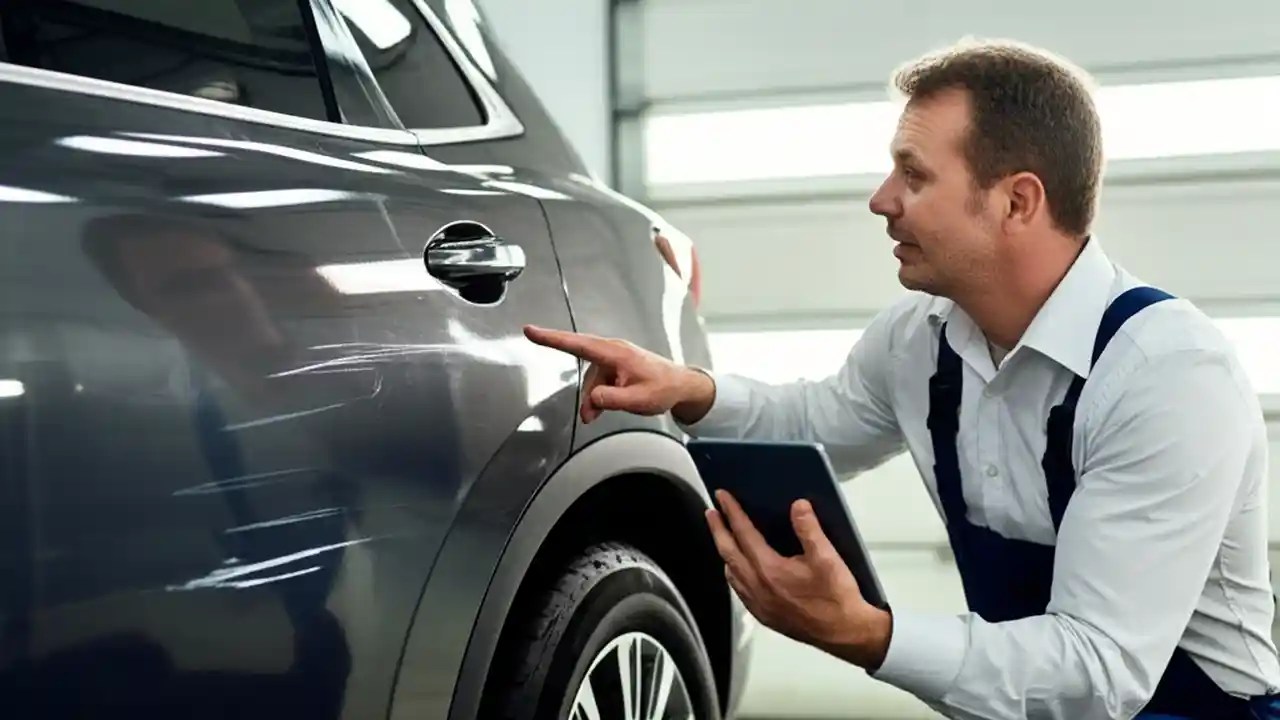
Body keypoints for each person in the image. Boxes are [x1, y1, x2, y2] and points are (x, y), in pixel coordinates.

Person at [524, 38, 1280, 720]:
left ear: (1017, 200)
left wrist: (870, 635)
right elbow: (814, 423)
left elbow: (1098, 673)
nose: (881, 200)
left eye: (913, 175)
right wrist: (691, 389)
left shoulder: (1166, 377)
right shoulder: (921, 339)